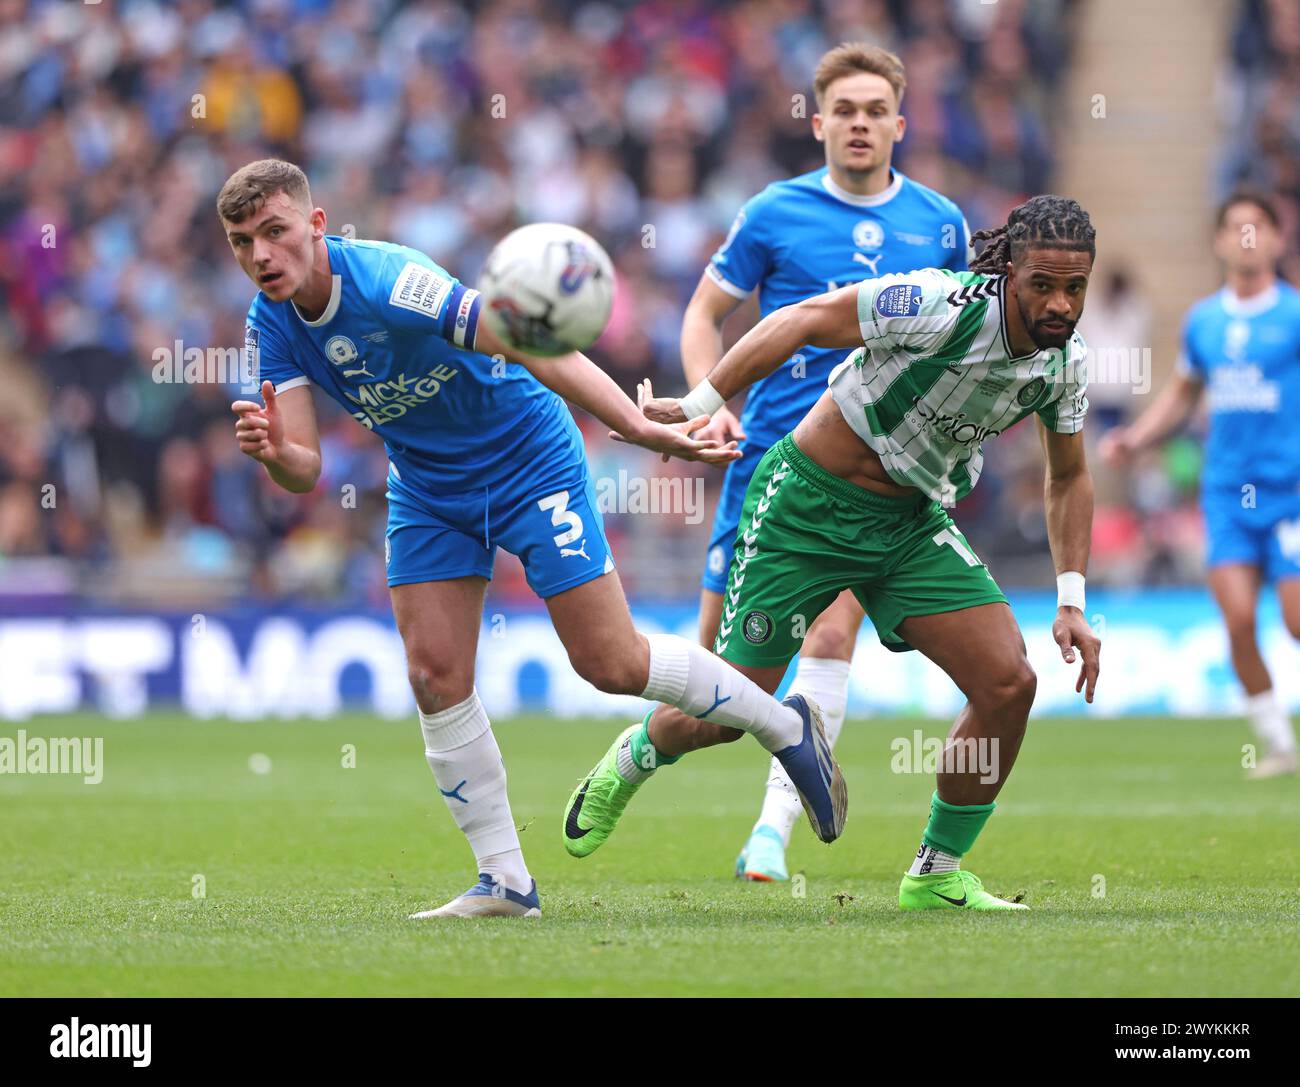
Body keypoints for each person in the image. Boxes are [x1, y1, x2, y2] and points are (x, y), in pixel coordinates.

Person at [220, 158, 849, 919]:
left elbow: (528, 342)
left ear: (316, 226)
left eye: (275, 232)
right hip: (428, 487)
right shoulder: (269, 323)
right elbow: (305, 466)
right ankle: (506, 882)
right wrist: (272, 453)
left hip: (527, 459)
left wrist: (636, 424)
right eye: (241, 241)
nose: (260, 255)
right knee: (432, 674)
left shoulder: (392, 280)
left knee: (612, 663)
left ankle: (786, 724)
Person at [564, 196, 1102, 911]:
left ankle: (937, 872)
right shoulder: (937, 303)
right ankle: (634, 756)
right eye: (1043, 284)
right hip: (806, 506)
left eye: (1075, 288)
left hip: (909, 523)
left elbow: (1068, 475)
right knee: (723, 716)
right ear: (1008, 270)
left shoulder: (1065, 364)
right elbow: (803, 319)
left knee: (1009, 683)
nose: (1060, 303)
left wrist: (1071, 598)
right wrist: (702, 401)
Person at [679, 42, 972, 881]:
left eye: (876, 110)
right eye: (844, 109)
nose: (860, 123)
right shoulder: (772, 213)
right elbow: (706, 313)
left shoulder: (942, 224)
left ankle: (770, 831)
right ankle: (639, 761)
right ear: (817, 123)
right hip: (765, 456)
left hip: (867, 468)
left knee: (833, 627)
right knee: (717, 692)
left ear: (900, 125)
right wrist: (710, 402)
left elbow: (966, 346)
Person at [1102, 189, 1300, 778]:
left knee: (1294, 622)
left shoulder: (1292, 314)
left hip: (1290, 493)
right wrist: (1138, 437)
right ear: (1218, 241)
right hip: (1227, 493)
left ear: (1277, 239)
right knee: (1238, 618)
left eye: (1257, 227)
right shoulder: (1205, 321)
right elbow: (1184, 396)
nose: (1246, 238)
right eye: (1235, 228)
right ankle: (1279, 746)